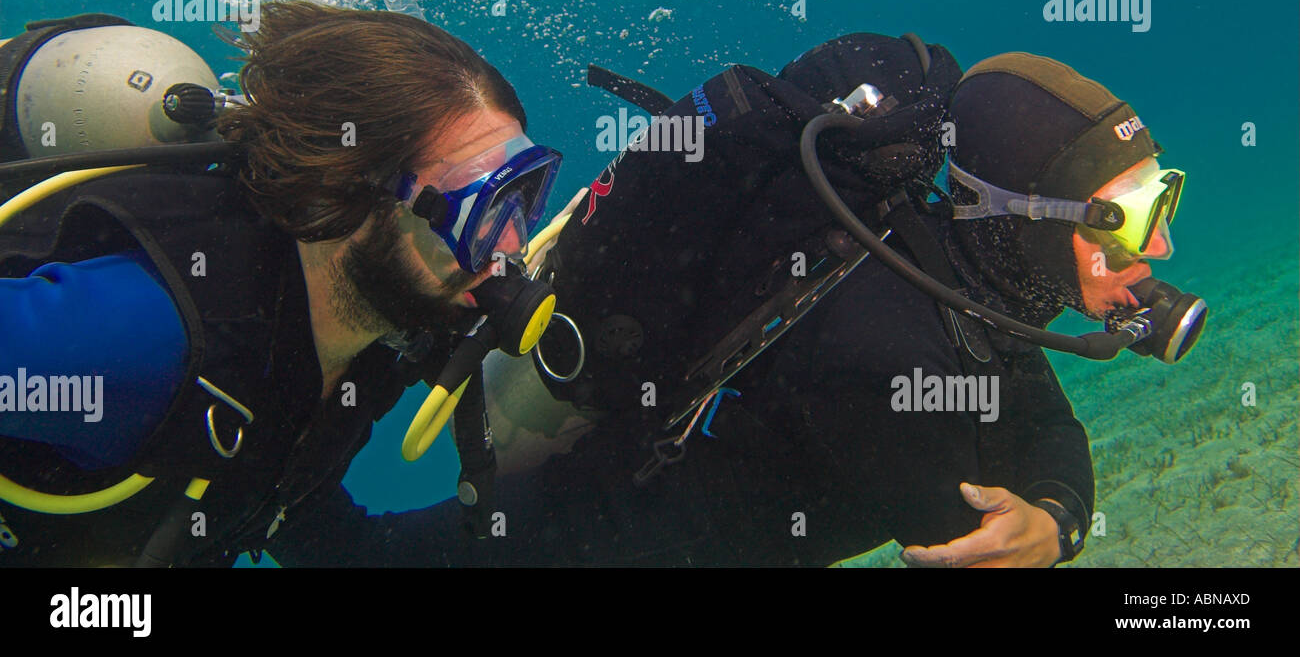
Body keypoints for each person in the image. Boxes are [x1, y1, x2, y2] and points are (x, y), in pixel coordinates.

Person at [324, 38, 1199, 568]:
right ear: (1025, 219)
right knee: (358, 558)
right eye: (1124, 220)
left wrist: (1054, 513)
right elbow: (1016, 459)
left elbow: (1034, 409)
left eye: (1165, 198)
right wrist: (1058, 520)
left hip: (630, 501)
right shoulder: (897, 360)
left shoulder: (939, 262)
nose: (1156, 247)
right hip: (604, 531)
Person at [0, 2, 562, 566]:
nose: (509, 248)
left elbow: (317, 532)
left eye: (523, 199)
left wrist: (594, 496)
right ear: (337, 192)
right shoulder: (138, 337)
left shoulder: (369, 342)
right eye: (481, 211)